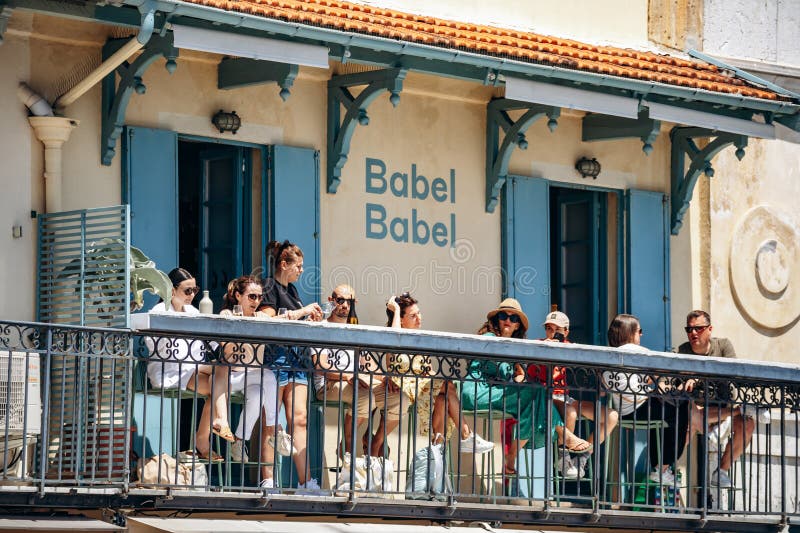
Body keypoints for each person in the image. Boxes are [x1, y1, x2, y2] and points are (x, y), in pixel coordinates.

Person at [462, 298, 590, 476]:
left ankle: (511, 456)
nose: (508, 320)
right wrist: (543, 347)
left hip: (498, 393)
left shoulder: (516, 346)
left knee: (536, 398)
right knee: (536, 393)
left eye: (513, 318)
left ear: (517, 326)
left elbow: (519, 373)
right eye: (503, 315)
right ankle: (565, 435)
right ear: (496, 319)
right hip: (477, 390)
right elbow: (501, 353)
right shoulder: (491, 338)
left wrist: (522, 375)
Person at [365, 292, 494, 458]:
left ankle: (439, 450)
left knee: (444, 396)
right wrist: (396, 309)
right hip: (403, 384)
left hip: (422, 385)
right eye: (412, 316)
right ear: (401, 320)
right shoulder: (394, 336)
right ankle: (465, 436)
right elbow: (395, 340)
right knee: (447, 386)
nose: (419, 318)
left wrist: (437, 378)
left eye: (419, 313)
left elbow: (428, 370)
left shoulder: (419, 340)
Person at [258, 239, 323, 492]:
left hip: (298, 362)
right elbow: (268, 318)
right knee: (272, 422)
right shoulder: (268, 286)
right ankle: (268, 480)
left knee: (299, 420)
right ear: (283, 264)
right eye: (299, 266)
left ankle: (305, 482)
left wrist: (312, 319)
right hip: (276, 360)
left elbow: (295, 320)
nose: (302, 270)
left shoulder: (293, 292)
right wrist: (302, 312)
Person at [676, 309, 764, 489]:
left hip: (722, 408)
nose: (693, 333)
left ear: (710, 329)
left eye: (698, 328)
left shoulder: (723, 346)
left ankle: (722, 471)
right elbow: (676, 379)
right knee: (691, 418)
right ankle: (665, 468)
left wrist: (696, 377)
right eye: (689, 329)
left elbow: (730, 371)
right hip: (699, 412)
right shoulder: (682, 350)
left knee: (748, 424)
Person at [604, 314, 690, 486]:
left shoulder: (607, 355)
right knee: (681, 404)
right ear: (630, 332)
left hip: (623, 412)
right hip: (639, 409)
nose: (641, 335)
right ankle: (663, 468)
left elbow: (620, 384)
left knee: (662, 407)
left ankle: (659, 468)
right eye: (639, 331)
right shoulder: (639, 352)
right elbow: (665, 366)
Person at [145, 267, 220, 462]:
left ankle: (204, 437)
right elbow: (155, 346)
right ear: (171, 290)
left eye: (195, 290)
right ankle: (204, 440)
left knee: (223, 377)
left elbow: (213, 341)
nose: (192, 295)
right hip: (170, 371)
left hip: (191, 367)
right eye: (188, 291)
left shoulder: (194, 311)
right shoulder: (158, 312)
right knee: (219, 384)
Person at [533, 310, 618, 479]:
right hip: (547, 397)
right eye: (549, 328)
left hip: (567, 398)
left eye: (557, 330)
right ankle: (563, 459)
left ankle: (582, 458)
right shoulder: (538, 345)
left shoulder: (571, 348)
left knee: (612, 416)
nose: (552, 333)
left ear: (566, 332)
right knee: (570, 412)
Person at [215, 276, 282, 490]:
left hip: (250, 375)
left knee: (264, 386)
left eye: (259, 297)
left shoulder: (260, 316)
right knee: (267, 378)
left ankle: (240, 440)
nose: (256, 301)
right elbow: (224, 345)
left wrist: (306, 312)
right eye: (251, 296)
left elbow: (285, 317)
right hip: (230, 375)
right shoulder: (227, 314)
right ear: (238, 296)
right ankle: (276, 431)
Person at [312, 284, 375, 457]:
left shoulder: (356, 329)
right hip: (328, 385)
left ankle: (373, 446)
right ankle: (348, 450)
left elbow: (367, 363)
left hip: (352, 383)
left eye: (350, 302)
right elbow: (320, 366)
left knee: (393, 396)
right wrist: (347, 376)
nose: (346, 305)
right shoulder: (322, 328)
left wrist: (385, 379)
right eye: (340, 300)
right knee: (364, 396)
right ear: (331, 301)